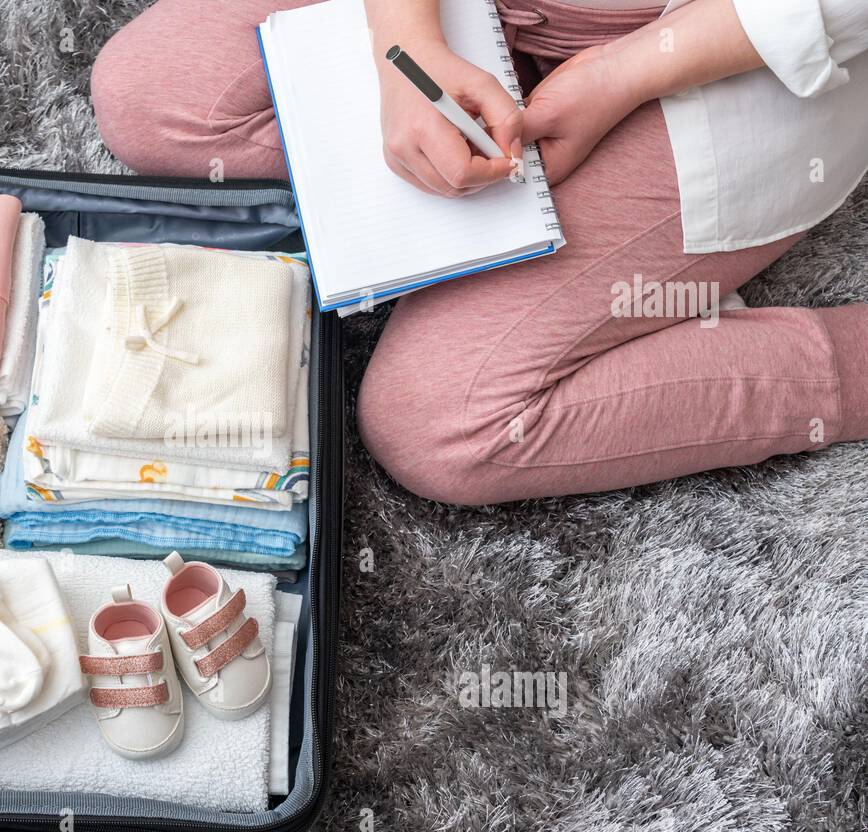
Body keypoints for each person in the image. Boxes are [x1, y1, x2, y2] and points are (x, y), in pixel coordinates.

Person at [90, 0, 868, 505]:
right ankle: (453, 192)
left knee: (438, 423)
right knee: (152, 95)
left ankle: (845, 366)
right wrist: (407, 49)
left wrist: (617, 75)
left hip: (726, 52)